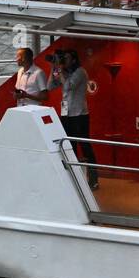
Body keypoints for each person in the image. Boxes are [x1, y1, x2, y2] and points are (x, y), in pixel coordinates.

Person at [50, 50, 98, 188]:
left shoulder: (80, 72)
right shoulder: (63, 72)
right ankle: (76, 178)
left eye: (66, 58)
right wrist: (53, 68)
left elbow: (68, 86)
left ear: (74, 60)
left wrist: (60, 70)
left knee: (85, 146)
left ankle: (94, 179)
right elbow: (50, 85)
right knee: (70, 145)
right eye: (63, 58)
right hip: (66, 114)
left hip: (80, 115)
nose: (64, 60)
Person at [13, 47, 49, 111]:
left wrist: (27, 96)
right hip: (20, 108)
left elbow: (45, 96)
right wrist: (16, 95)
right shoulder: (20, 71)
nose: (16, 59)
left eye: (17, 57)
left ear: (24, 58)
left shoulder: (38, 73)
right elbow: (17, 89)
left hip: (33, 110)